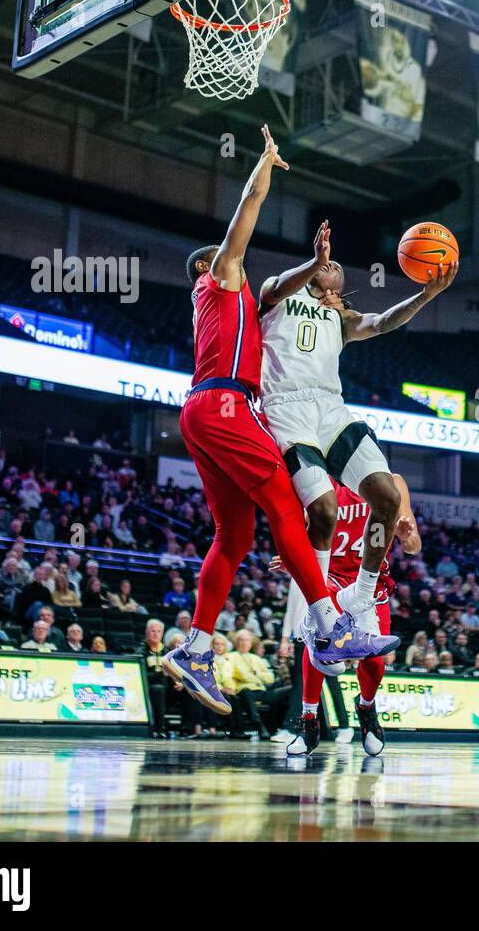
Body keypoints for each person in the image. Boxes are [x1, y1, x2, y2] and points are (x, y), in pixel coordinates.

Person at [162, 125, 338, 717]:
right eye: (222, 254)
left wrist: (314, 265)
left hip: (203, 411)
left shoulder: (235, 303)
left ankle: (194, 648)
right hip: (227, 404)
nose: (231, 253)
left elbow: (279, 289)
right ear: (206, 269)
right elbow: (247, 210)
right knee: (286, 504)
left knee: (233, 536)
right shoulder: (220, 279)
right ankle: (328, 623)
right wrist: (263, 166)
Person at [257, 214, 455, 669]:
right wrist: (313, 261)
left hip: (331, 409)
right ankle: (319, 620)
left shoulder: (340, 318)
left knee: (386, 496)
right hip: (287, 409)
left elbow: (383, 321)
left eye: (336, 267)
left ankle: (361, 598)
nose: (333, 267)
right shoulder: (279, 295)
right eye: (328, 265)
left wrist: (425, 294)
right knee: (323, 510)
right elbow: (278, 285)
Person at [282, 474, 422, 757]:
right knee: (319, 646)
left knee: (375, 661)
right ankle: (309, 721)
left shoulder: (393, 482)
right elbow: (303, 532)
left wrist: (407, 537)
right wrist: (291, 558)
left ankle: (366, 708)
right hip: (330, 578)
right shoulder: (322, 483)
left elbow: (413, 545)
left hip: (370, 582)